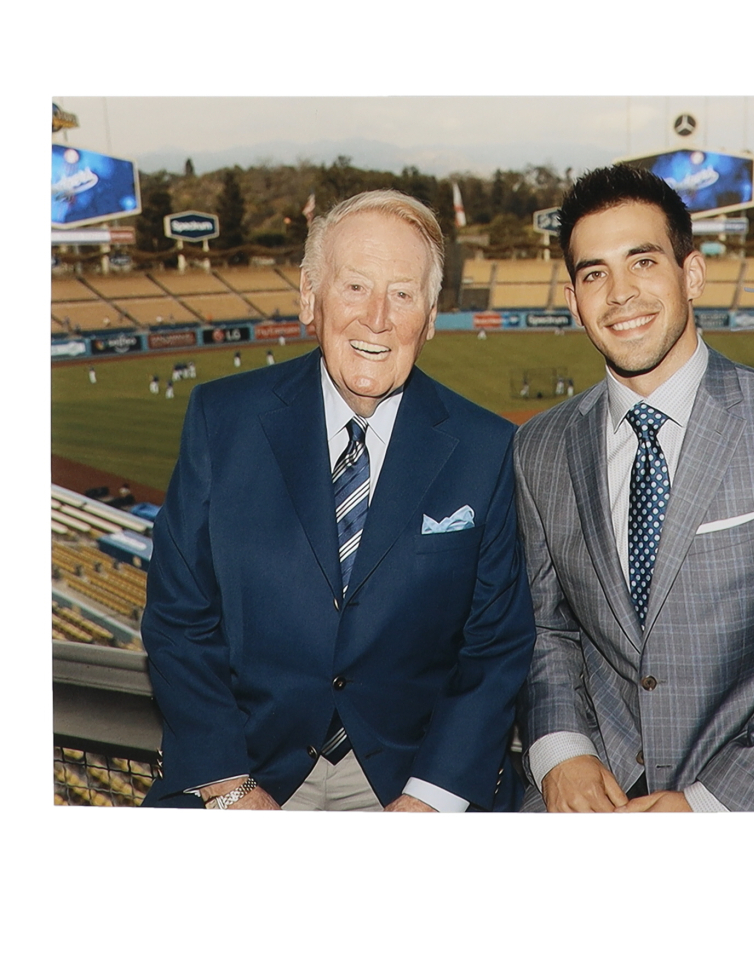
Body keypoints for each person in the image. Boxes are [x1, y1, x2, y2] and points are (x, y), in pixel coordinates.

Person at [141, 190, 535, 812]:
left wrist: (431, 800)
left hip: (410, 781)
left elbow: (494, 648)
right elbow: (177, 616)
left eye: (403, 294)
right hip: (245, 768)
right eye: (355, 287)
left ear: (430, 318)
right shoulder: (223, 420)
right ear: (310, 298)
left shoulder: (488, 447)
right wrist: (229, 786)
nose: (377, 317)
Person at [513, 165, 754, 812]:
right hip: (587, 804)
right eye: (594, 273)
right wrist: (559, 747)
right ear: (573, 300)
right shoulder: (538, 446)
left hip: (749, 805)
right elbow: (547, 630)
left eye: (643, 262)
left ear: (691, 274)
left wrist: (710, 804)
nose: (620, 294)